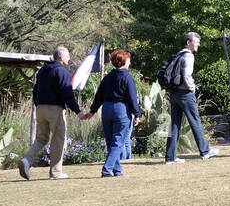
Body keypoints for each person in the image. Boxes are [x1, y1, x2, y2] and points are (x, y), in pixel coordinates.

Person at [17, 47, 79, 180]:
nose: (69, 58)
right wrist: (78, 111)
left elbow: (35, 90)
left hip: (40, 109)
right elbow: (67, 93)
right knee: (59, 140)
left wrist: (38, 104)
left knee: (41, 138)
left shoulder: (43, 71)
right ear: (61, 57)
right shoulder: (61, 71)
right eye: (68, 56)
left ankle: (27, 160)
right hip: (54, 110)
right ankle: (56, 173)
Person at [80, 49, 141, 177]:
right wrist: (137, 114)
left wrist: (92, 111)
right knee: (118, 141)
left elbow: (99, 96)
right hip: (121, 109)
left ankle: (117, 170)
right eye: (128, 60)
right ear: (124, 61)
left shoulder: (107, 77)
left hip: (106, 109)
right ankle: (106, 170)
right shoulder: (127, 77)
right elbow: (132, 98)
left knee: (110, 142)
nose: (130, 62)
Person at [165, 32, 218, 164]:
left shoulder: (178, 54)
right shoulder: (188, 56)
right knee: (195, 121)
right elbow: (186, 76)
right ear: (188, 42)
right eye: (197, 41)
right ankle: (205, 151)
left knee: (174, 125)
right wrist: (192, 89)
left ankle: (170, 157)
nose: (199, 44)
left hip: (174, 93)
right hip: (185, 94)